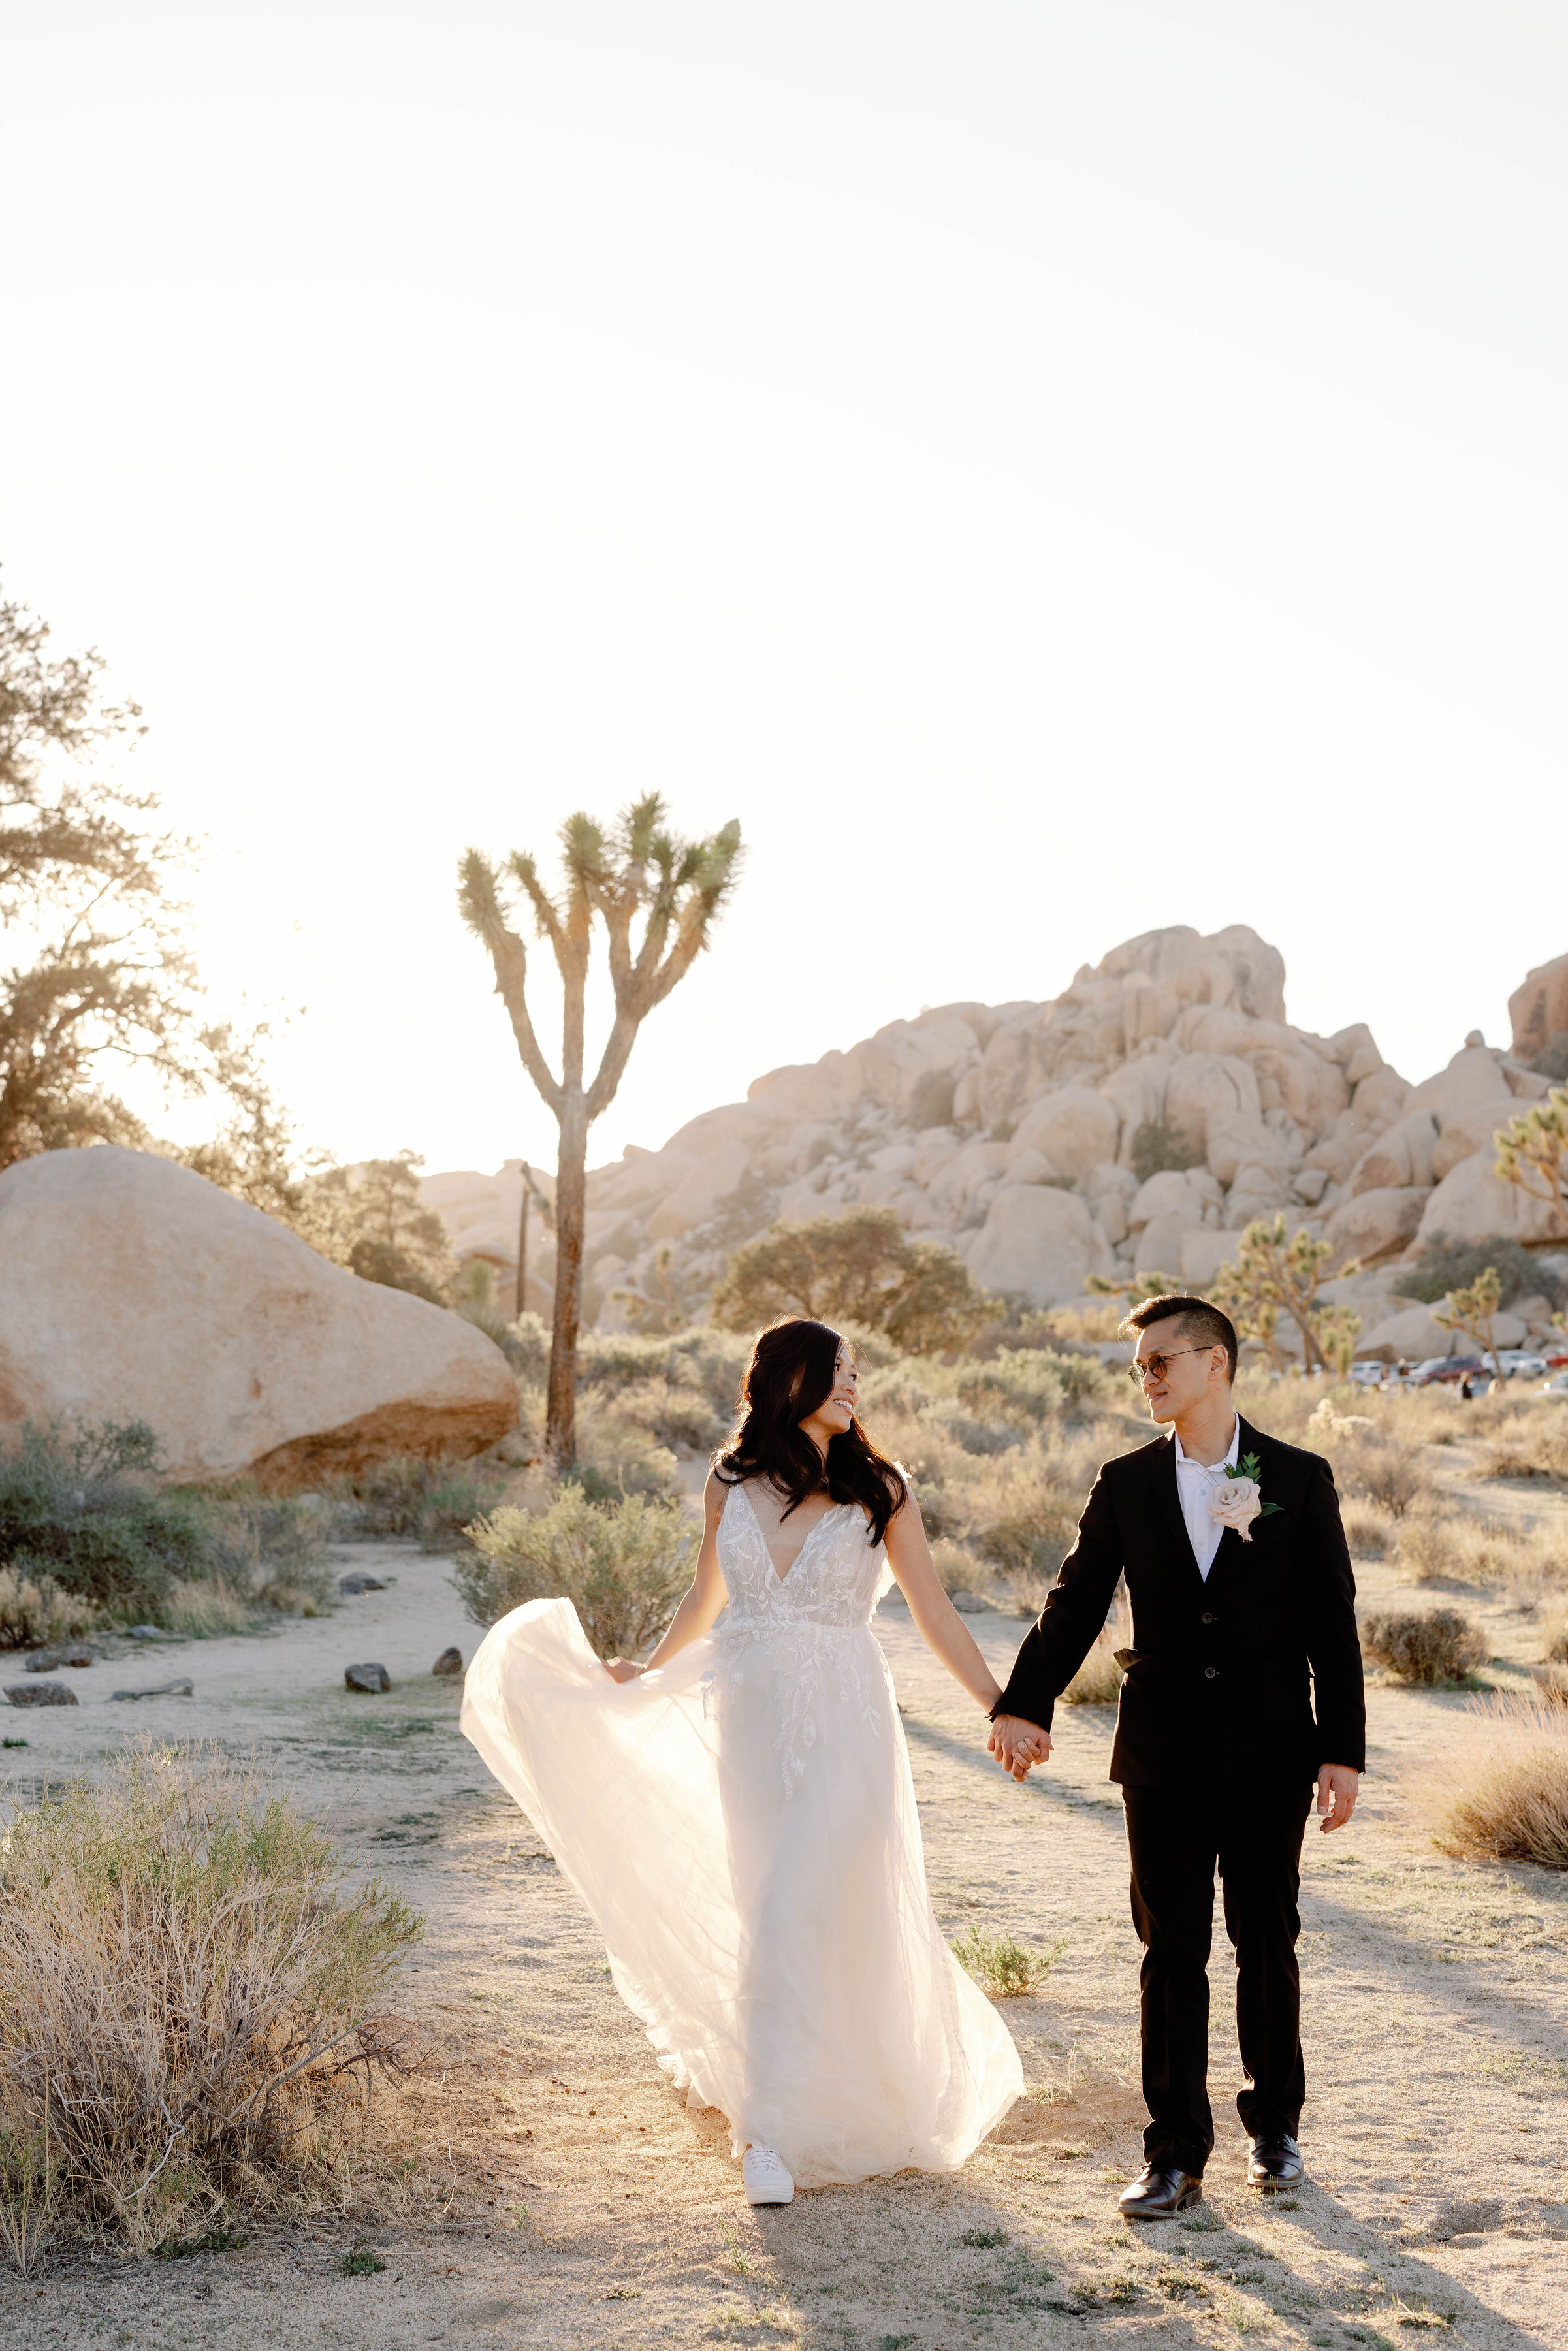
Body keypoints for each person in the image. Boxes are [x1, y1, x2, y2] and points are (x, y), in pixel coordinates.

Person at [460, 1316, 1023, 2207]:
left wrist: (1001, 1705)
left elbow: (935, 1612)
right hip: (748, 1721)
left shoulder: (881, 1486)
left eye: (855, 1372)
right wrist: (643, 1670)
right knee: (767, 1906)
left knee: (806, 1903)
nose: (853, 1386)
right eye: (837, 1370)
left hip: (845, 1719)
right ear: (787, 1380)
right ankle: (783, 2105)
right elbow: (704, 1595)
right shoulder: (729, 1480)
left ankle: (772, 2131)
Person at [987, 1293, 1364, 2221]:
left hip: (1271, 1748)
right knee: (1169, 1952)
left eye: (1161, 1361)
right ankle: (1172, 2156)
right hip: (1158, 1752)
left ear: (1216, 1364)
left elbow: (1331, 1623)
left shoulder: (1299, 1478)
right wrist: (1022, 1702)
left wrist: (1341, 1752)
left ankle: (1274, 2130)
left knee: (1265, 1941)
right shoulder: (1123, 1481)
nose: (1146, 1378)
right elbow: (1073, 1603)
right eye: (1139, 1366)